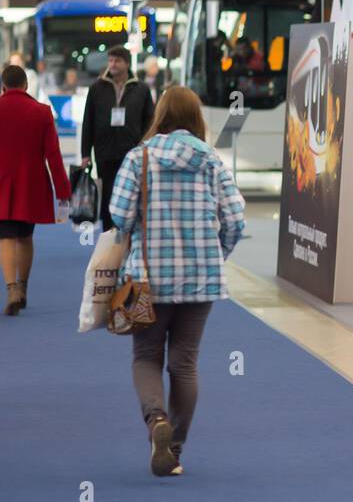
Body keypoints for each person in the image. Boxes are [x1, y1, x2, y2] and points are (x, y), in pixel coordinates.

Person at [110, 86, 245, 477]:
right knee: (184, 364)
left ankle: (156, 423)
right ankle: (176, 450)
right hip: (201, 277)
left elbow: (119, 217)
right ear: (196, 117)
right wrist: (218, 253)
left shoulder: (140, 157)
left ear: (161, 115)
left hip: (148, 278)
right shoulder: (212, 161)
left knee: (145, 356)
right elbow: (236, 219)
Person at [0, 63, 72, 315]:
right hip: (32, 181)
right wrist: (63, 189)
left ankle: (11, 288)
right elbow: (53, 154)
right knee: (25, 237)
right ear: (26, 85)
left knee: (6, 237)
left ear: (3, 86)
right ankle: (24, 288)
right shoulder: (42, 112)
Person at [81, 45, 155, 232]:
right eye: (111, 60)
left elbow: (149, 121)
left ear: (127, 63)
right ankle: (109, 237)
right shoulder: (97, 88)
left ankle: (128, 237)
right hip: (104, 152)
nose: (113, 64)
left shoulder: (141, 89)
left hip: (132, 152)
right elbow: (88, 121)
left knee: (130, 197)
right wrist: (85, 153)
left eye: (117, 61)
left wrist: (146, 146)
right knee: (107, 197)